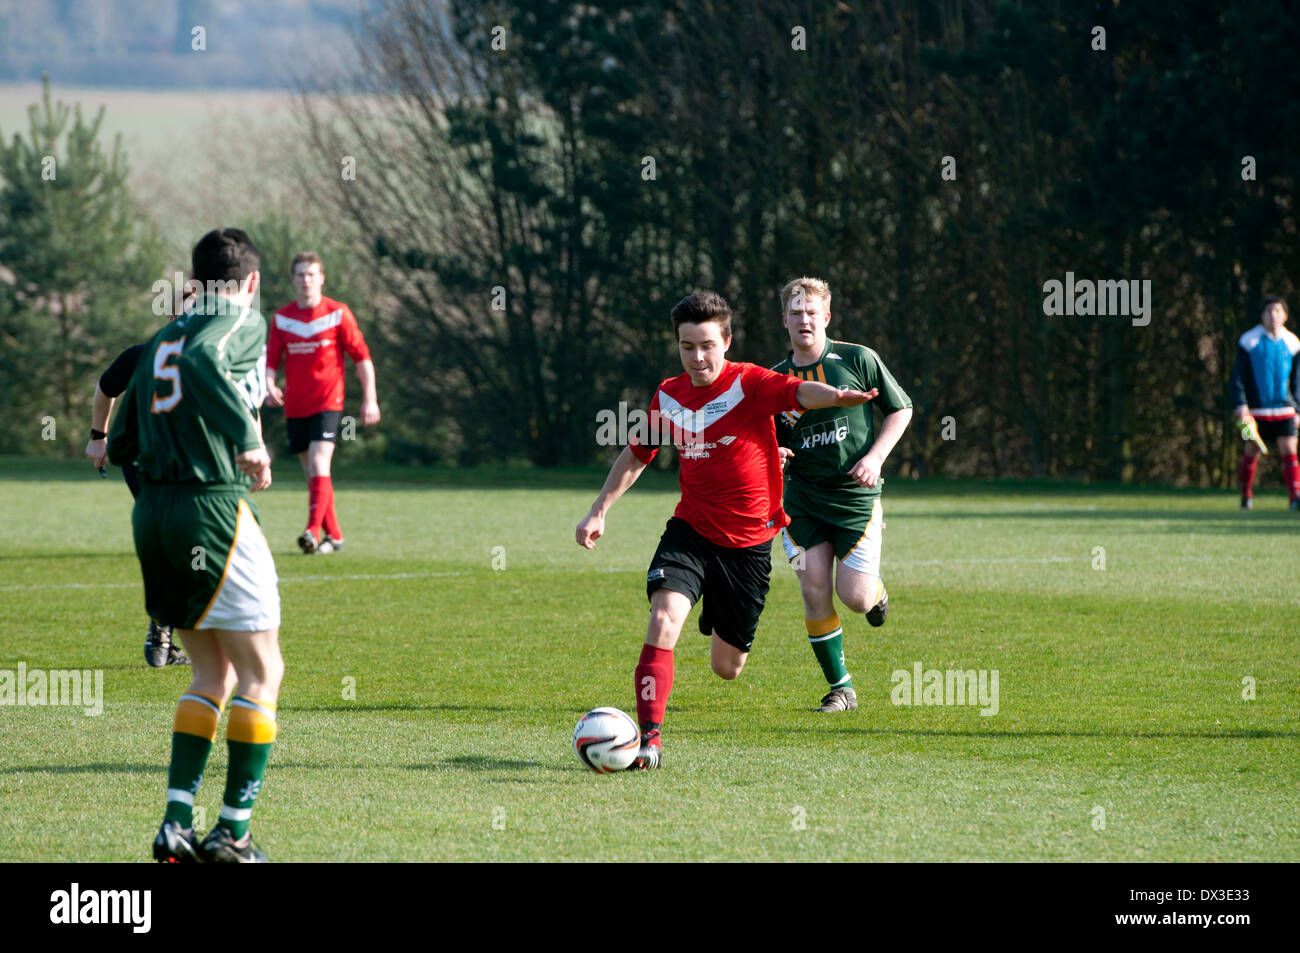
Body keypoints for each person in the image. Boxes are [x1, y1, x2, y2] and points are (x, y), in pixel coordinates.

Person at [575, 291, 877, 769]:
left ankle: (714, 606)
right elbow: (637, 455)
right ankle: (650, 741)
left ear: (727, 341)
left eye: (707, 346)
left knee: (727, 668)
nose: (697, 357)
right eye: (687, 346)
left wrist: (837, 398)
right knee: (662, 619)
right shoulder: (668, 395)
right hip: (690, 532)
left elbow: (799, 393)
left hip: (748, 548)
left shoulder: (750, 383)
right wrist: (598, 510)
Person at [108, 227, 283, 863]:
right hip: (210, 506)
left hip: (152, 512)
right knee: (264, 672)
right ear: (252, 282)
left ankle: (176, 823)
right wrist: (247, 438)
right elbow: (211, 366)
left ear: (194, 276)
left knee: (214, 671)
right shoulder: (240, 318)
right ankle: (232, 831)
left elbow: (122, 435)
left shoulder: (162, 336)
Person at [770, 278, 913, 713]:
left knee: (856, 598)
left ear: (826, 317)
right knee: (813, 587)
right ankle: (842, 689)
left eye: (812, 312)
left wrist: (875, 458)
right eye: (796, 313)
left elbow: (900, 409)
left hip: (855, 497)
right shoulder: (774, 379)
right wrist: (772, 451)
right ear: (785, 321)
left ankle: (877, 593)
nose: (804, 320)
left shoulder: (857, 359)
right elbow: (763, 436)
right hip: (802, 499)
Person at [86, 282, 199, 667]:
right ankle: (166, 630)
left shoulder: (210, 357)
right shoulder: (142, 356)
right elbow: (105, 388)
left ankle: (166, 633)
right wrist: (97, 438)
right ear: (171, 316)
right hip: (147, 465)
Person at [264, 252, 380, 553]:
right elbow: (272, 359)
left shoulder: (338, 313)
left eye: (311, 274)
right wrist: (268, 384)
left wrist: (370, 399)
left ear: (322, 278)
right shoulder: (282, 317)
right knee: (313, 475)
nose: (306, 280)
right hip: (296, 405)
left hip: (329, 402)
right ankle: (335, 536)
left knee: (319, 463)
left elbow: (362, 357)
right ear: (293, 279)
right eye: (300, 274)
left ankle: (312, 532)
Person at [1231, 295, 1300, 510]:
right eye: (1269, 311)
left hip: (1285, 409)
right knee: (1251, 451)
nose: (1273, 315)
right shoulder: (1249, 341)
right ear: (1262, 315)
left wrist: (1298, 409)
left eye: (1277, 311)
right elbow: (1238, 377)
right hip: (1256, 411)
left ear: (1285, 315)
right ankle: (1245, 495)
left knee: (1289, 451)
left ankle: (1295, 498)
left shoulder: (1293, 343)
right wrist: (1240, 404)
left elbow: (1298, 380)